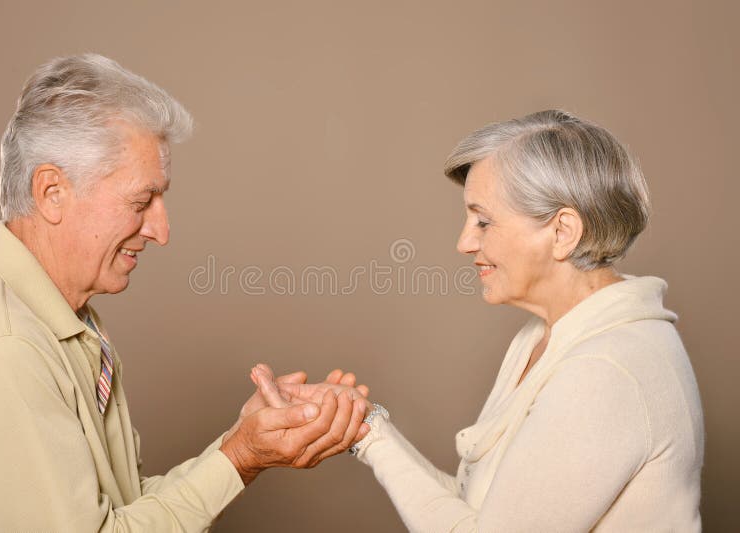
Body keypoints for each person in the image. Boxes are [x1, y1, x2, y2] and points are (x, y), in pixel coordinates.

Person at [0, 54, 370, 532]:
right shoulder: (3, 351)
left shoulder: (67, 322)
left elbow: (124, 514)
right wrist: (241, 454)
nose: (161, 230)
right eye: (142, 201)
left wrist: (244, 444)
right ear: (52, 192)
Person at [256, 110, 705, 532]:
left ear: (563, 232)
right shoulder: (548, 338)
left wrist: (371, 435)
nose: (464, 242)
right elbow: (483, 514)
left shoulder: (606, 371)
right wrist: (366, 424)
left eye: (483, 221)